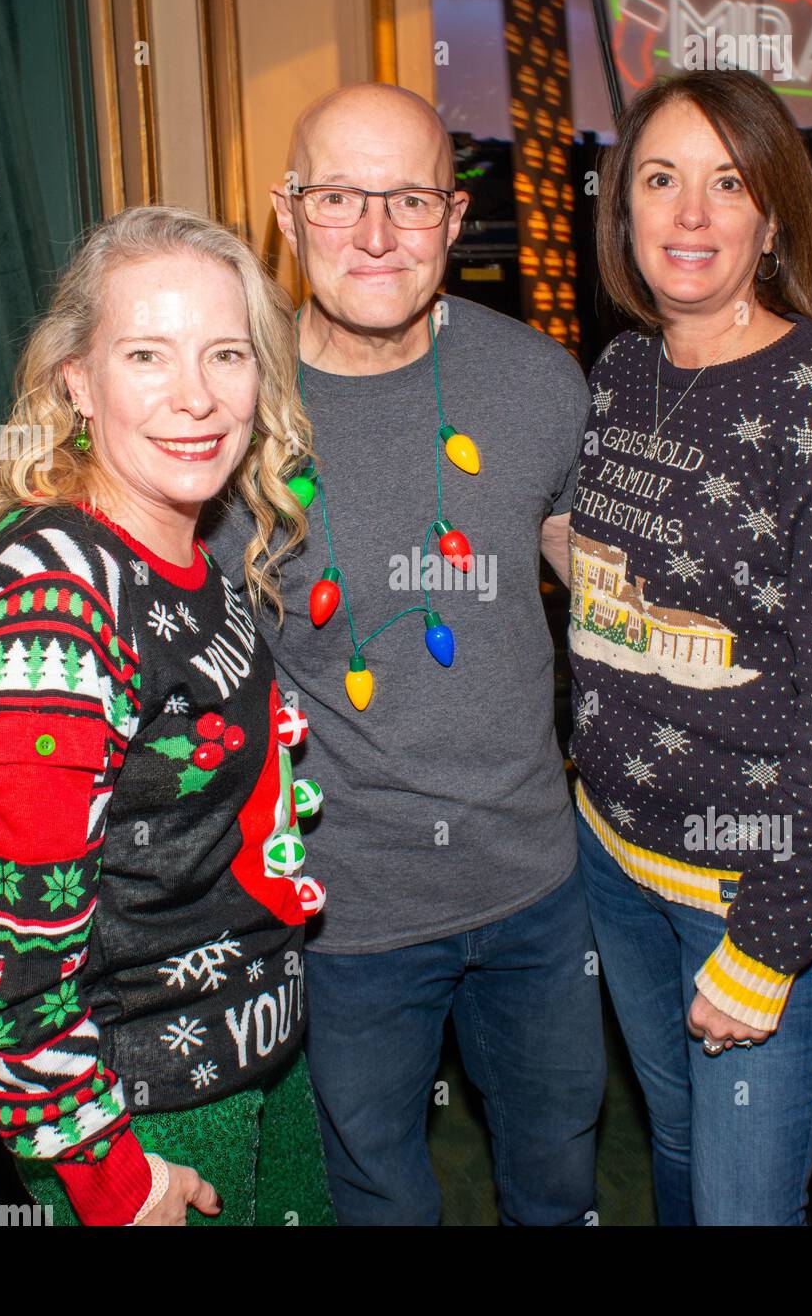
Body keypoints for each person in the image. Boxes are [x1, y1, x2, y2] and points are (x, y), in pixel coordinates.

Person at [200, 82, 605, 1225]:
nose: (375, 233)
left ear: (452, 216)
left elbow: (604, 590)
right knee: (378, 1195)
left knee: (559, 1173)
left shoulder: (537, 380)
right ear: (286, 212)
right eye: (339, 196)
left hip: (537, 881)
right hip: (348, 913)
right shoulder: (224, 405)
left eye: (409, 198)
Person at [565, 68, 812, 1225]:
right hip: (617, 861)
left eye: (726, 184)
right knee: (675, 1154)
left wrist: (766, 945)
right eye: (660, 179)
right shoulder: (622, 371)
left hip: (761, 892)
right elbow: (613, 560)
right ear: (622, 207)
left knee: (742, 1208)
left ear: (770, 217)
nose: (687, 215)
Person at [0, 205, 335, 1226]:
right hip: (141, 1112)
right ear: (77, 381)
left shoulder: (193, 543)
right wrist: (107, 1177)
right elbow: (11, 943)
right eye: (146, 353)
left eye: (226, 354)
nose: (196, 398)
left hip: (246, 1056)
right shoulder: (53, 599)